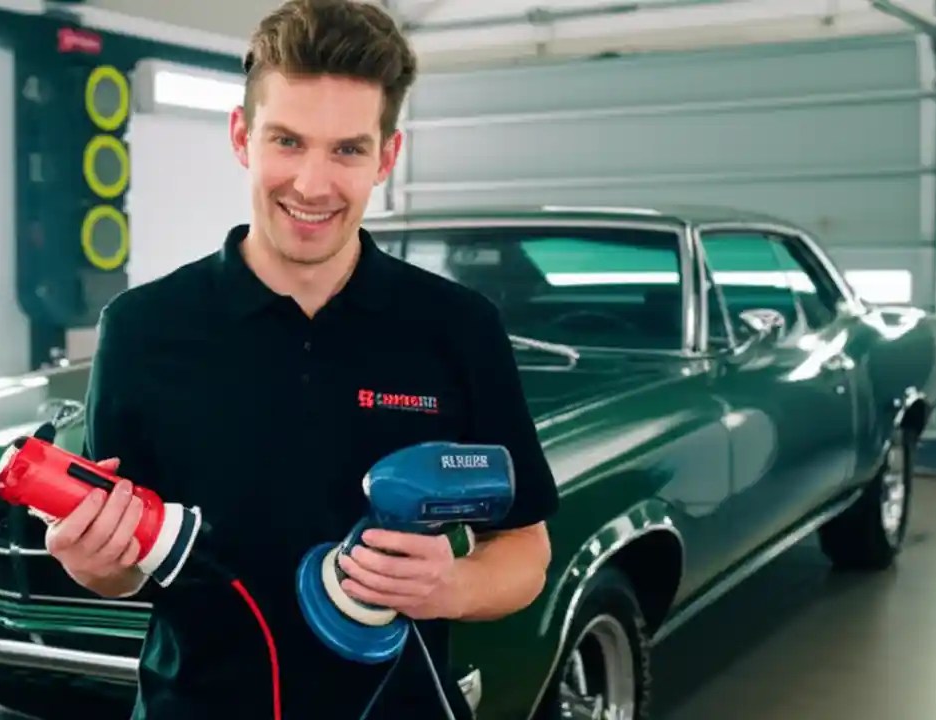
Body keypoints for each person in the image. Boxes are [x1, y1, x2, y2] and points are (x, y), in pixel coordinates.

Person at [45, 1, 559, 718]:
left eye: (347, 150)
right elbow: (127, 567)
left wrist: (453, 588)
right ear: (241, 137)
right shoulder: (143, 330)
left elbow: (526, 550)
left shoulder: (459, 328)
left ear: (386, 156)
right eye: (287, 141)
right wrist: (93, 564)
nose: (313, 185)